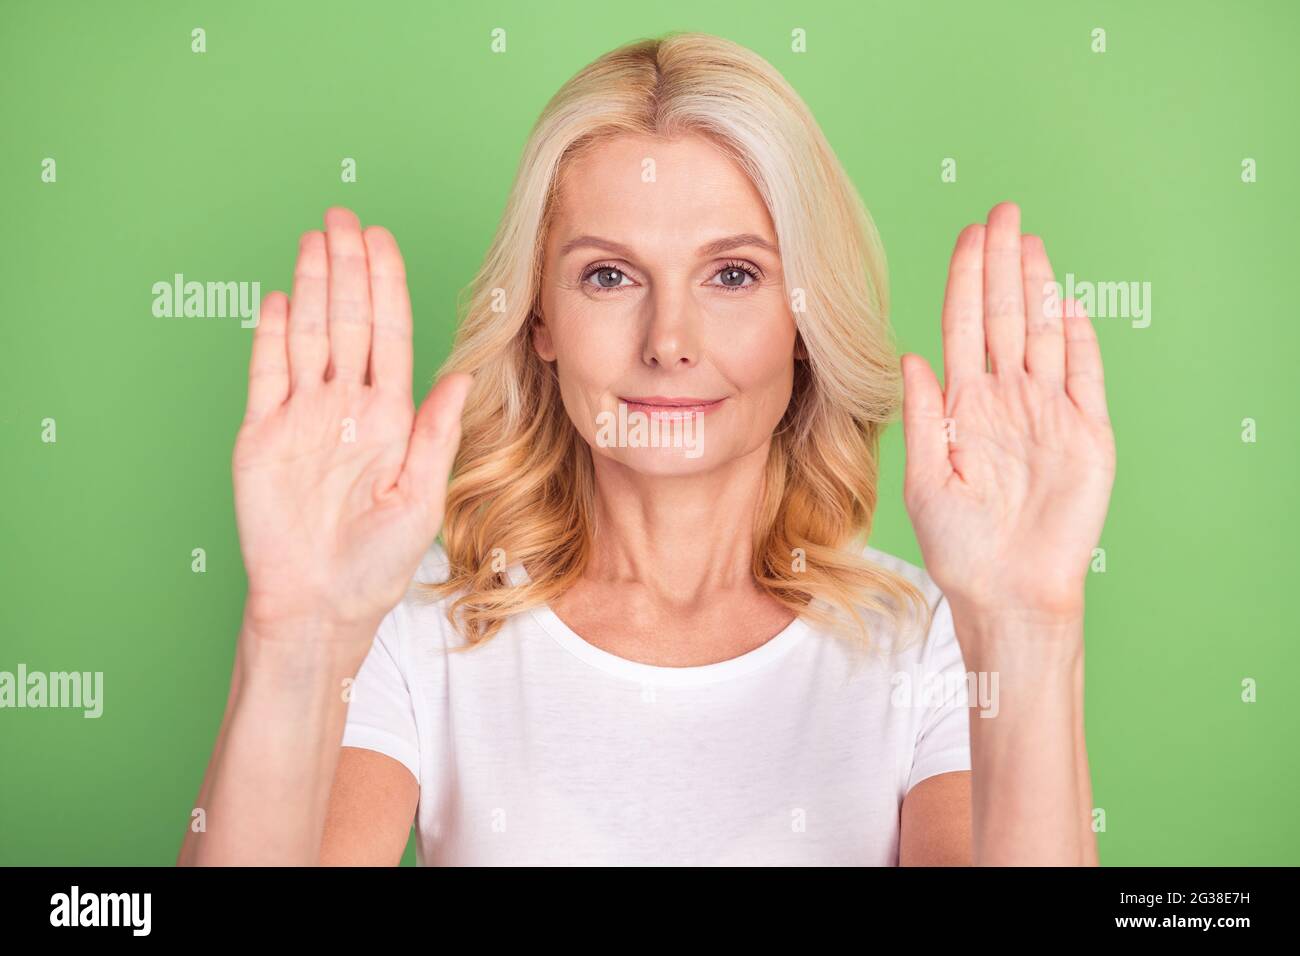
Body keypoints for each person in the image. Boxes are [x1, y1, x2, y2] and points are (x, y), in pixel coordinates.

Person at [178, 32, 1114, 866]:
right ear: (538, 316)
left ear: (804, 319)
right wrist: (293, 635)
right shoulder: (412, 626)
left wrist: (1030, 630)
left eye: (733, 273)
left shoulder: (928, 639)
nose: (670, 340)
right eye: (610, 274)